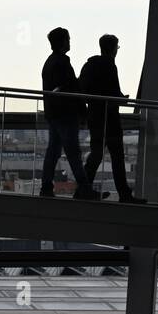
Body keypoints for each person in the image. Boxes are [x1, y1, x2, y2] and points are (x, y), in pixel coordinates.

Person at [79, 34, 146, 204]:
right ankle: (124, 194)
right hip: (110, 118)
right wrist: (123, 99)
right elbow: (113, 93)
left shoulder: (90, 66)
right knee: (117, 157)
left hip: (94, 116)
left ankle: (83, 189)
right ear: (113, 48)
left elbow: (84, 90)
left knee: (96, 154)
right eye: (117, 47)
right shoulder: (110, 66)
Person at [40, 27, 102, 200]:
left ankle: (47, 187)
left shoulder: (50, 63)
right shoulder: (62, 63)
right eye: (68, 39)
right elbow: (71, 90)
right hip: (65, 114)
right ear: (63, 42)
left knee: (54, 151)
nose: (70, 42)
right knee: (73, 153)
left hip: (54, 113)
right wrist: (83, 111)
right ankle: (83, 188)